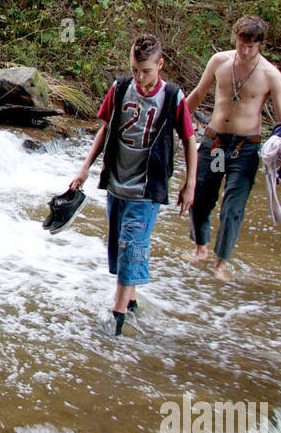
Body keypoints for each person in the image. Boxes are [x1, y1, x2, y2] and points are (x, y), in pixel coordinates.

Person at [69, 34, 196, 335]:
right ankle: (133, 300)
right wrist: (85, 167)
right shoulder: (120, 88)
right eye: (135, 70)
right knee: (119, 248)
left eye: (147, 71)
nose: (141, 77)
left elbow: (189, 140)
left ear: (160, 64)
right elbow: (105, 129)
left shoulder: (173, 97)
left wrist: (190, 184)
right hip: (116, 182)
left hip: (147, 187)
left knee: (131, 245)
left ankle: (117, 315)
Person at [183, 15, 281, 281]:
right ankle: (201, 248)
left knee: (232, 206)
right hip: (216, 143)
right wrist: (174, 120)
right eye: (241, 44)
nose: (245, 51)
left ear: (260, 45)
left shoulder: (270, 75)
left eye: (251, 47)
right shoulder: (219, 62)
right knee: (201, 197)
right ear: (235, 38)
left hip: (245, 148)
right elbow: (197, 94)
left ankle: (222, 262)